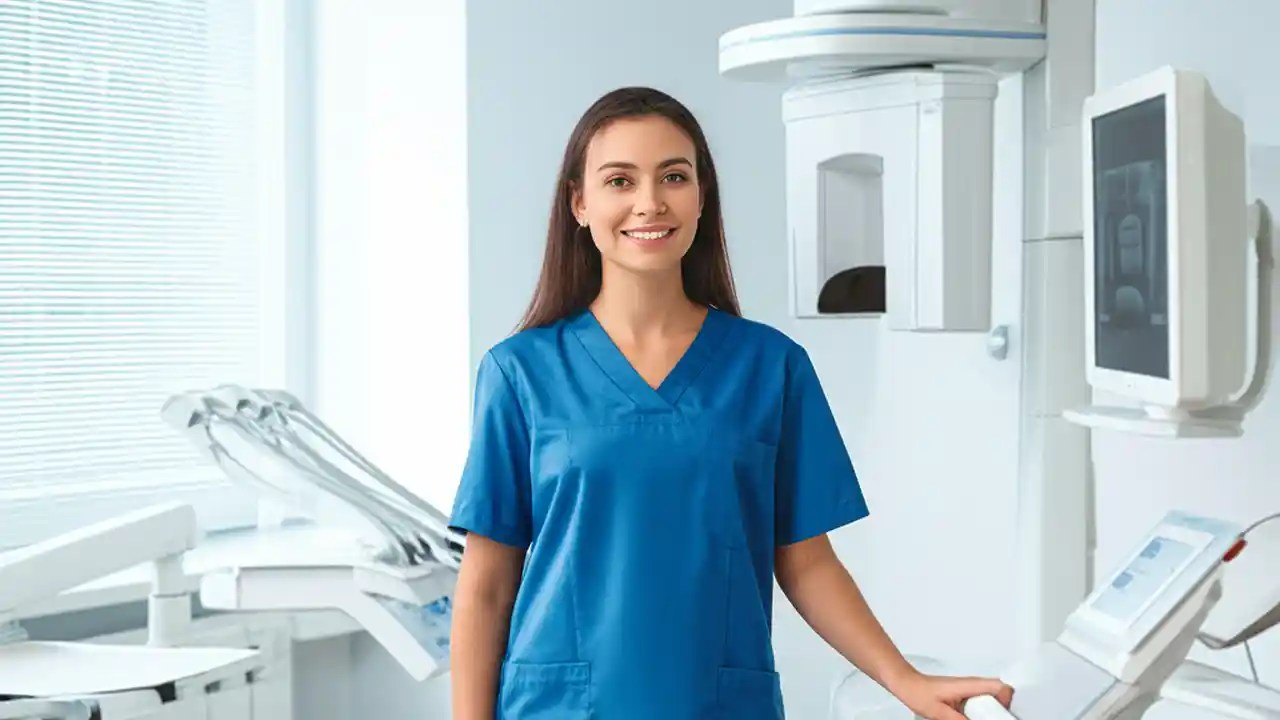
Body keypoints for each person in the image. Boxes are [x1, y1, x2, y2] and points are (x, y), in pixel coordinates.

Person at [447, 86, 1014, 720]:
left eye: (673, 176)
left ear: (701, 196)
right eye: (619, 180)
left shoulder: (769, 367)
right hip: (562, 708)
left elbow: (805, 562)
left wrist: (905, 680)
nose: (649, 202)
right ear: (579, 204)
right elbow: (487, 587)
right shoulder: (520, 371)